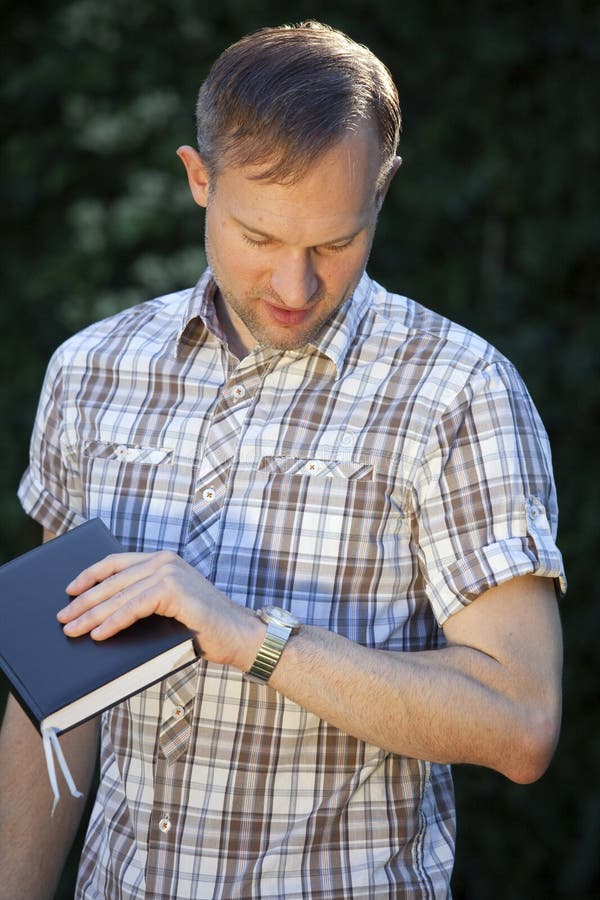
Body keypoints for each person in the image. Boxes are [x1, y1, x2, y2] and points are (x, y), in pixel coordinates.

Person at [0, 20, 565, 900]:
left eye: (334, 245)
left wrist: (252, 639)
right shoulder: (90, 371)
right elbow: (52, 694)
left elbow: (522, 722)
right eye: (259, 238)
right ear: (198, 179)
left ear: (382, 191)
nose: (295, 288)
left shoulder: (462, 392)